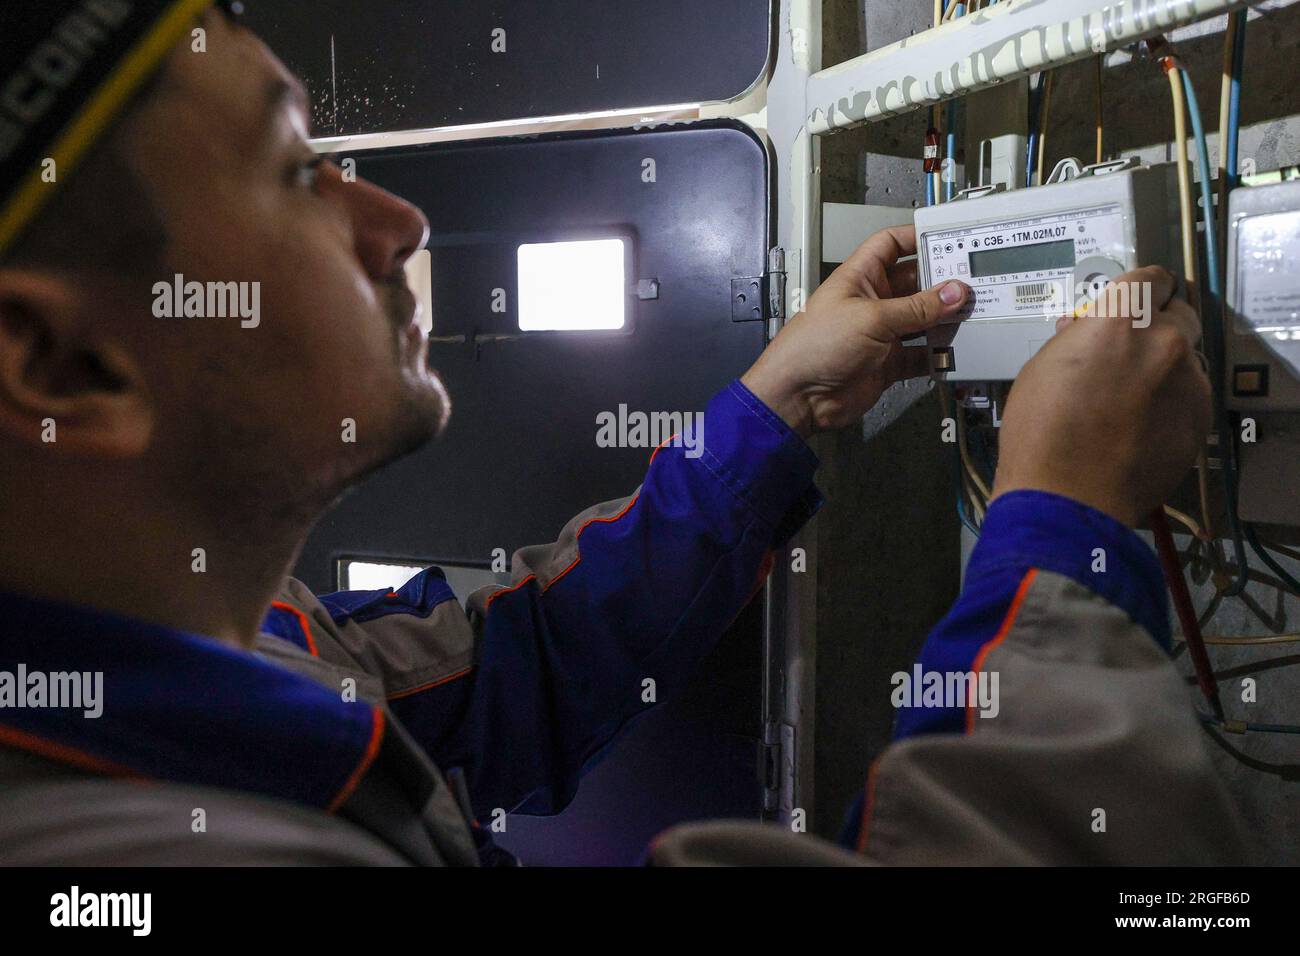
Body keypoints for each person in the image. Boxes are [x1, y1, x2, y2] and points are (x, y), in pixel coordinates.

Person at [0, 2, 1245, 865]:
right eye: (292, 170)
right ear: (61, 362)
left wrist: (772, 407)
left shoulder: (230, 656)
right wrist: (1063, 527)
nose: (399, 221)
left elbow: (515, 668)